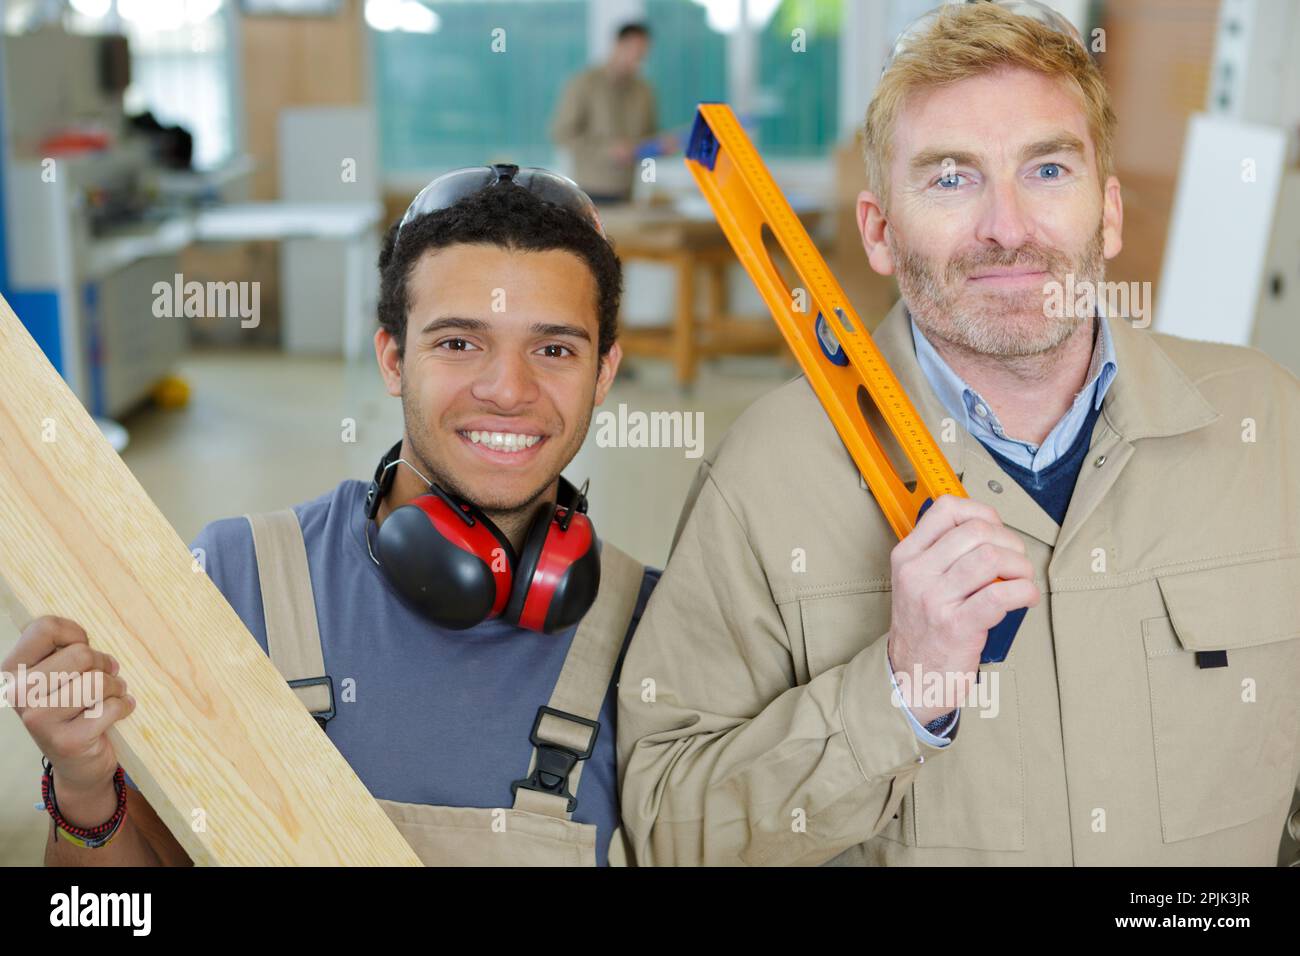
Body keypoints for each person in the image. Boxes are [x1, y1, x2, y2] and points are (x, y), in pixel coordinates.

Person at [616, 0, 1300, 865]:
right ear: (879, 232)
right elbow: (671, 830)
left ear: (1110, 211)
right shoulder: (764, 477)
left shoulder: (1273, 430)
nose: (1006, 227)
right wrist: (900, 689)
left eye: (1048, 170)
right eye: (951, 177)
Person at [8, 165, 657, 867]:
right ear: (392, 358)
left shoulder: (652, 629)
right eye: (458, 343)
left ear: (604, 372)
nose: (507, 390)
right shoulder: (241, 575)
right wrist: (82, 789)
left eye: (554, 348)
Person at [551, 21, 664, 204]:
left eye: (642, 54)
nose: (637, 58)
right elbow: (561, 133)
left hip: (628, 190)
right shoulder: (583, 83)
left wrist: (660, 145)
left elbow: (650, 134)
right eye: (633, 50)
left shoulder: (644, 90)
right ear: (618, 45)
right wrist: (608, 150)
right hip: (589, 191)